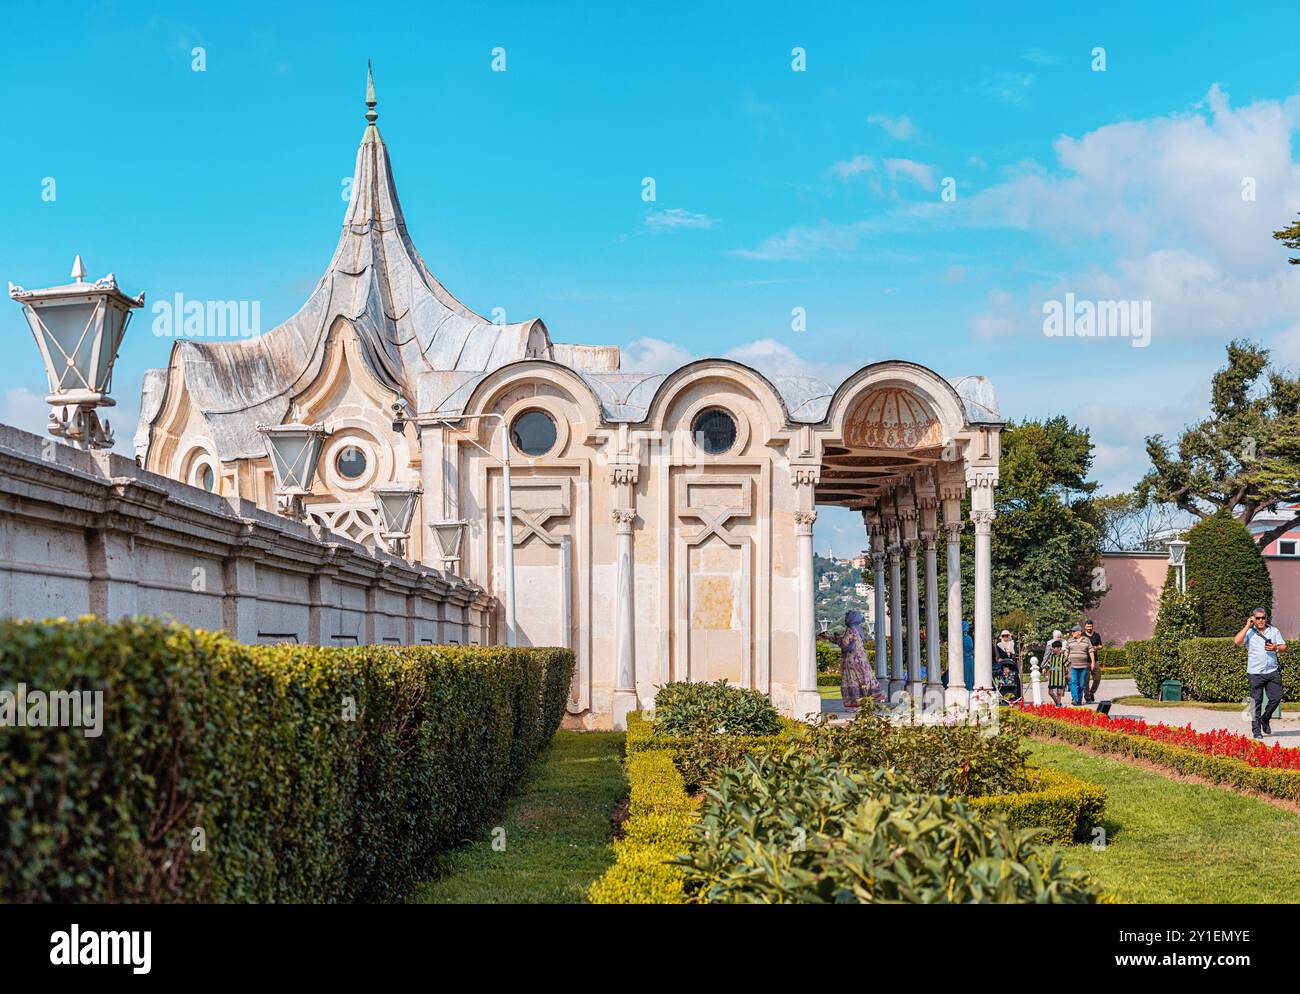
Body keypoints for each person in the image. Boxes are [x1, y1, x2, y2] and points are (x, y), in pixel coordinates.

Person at [1233, 608, 1288, 738]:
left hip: (1272, 671)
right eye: (1257, 618)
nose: (1261, 620)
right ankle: (1256, 730)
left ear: (1266, 618)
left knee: (1276, 697)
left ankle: (1265, 718)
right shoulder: (1249, 632)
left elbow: (1284, 647)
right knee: (1255, 702)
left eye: (1263, 618)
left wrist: (1276, 648)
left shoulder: (1274, 631)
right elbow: (1236, 641)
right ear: (1253, 619)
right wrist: (1247, 625)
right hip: (1255, 673)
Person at [833, 610, 883, 709]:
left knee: (853, 681)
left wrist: (837, 638)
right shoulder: (859, 629)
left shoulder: (850, 630)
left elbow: (845, 644)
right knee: (864, 679)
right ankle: (867, 702)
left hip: (852, 660)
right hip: (861, 659)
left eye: (847, 617)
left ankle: (855, 704)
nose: (845, 619)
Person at [1064, 623, 1095, 706]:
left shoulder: (1086, 640)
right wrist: (1064, 662)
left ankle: (1079, 699)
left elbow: (1091, 651)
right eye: (1072, 631)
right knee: (1073, 682)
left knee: (1082, 684)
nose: (1072, 633)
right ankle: (1074, 698)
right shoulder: (1070, 640)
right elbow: (1066, 651)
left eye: (1074, 631)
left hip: (1084, 666)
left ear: (1079, 632)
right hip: (1072, 666)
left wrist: (1092, 663)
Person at [1042, 630, 1068, 706]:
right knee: (1051, 691)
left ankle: (1058, 703)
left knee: (1059, 690)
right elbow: (1046, 657)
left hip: (1061, 669)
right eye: (1058, 637)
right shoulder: (1050, 644)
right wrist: (1044, 667)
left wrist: (1067, 672)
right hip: (1053, 671)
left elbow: (1067, 659)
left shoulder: (1064, 643)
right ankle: (1057, 701)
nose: (1059, 638)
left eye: (1060, 637)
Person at [1083, 619, 1103, 703]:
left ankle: (1091, 693)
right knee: (1086, 680)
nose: (1089, 628)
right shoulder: (1082, 635)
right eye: (1088, 626)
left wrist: (1097, 647)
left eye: (1090, 626)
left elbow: (1101, 645)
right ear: (1085, 626)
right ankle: (1087, 697)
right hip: (1085, 661)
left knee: (1097, 678)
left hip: (1095, 660)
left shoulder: (1096, 635)